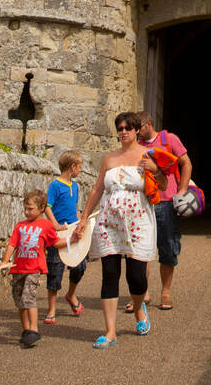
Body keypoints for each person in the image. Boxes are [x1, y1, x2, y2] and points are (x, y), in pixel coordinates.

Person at [71, 112, 162, 345]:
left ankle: (140, 309)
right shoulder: (110, 158)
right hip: (109, 222)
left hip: (138, 222)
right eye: (119, 128)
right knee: (110, 274)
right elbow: (98, 189)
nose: (123, 132)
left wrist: (155, 169)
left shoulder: (148, 155)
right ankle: (110, 331)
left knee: (137, 277)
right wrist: (84, 218)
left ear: (136, 130)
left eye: (127, 128)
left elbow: (163, 184)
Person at [0, 189, 70, 347]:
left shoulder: (46, 225)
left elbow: (55, 243)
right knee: (19, 302)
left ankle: (34, 329)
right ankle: (25, 330)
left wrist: (72, 240)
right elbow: (12, 244)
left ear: (42, 208)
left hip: (33, 269)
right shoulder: (20, 226)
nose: (26, 212)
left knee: (29, 298)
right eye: (25, 208)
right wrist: (4, 261)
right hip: (18, 269)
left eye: (30, 209)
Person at [136, 112, 191, 311]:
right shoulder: (135, 146)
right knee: (140, 250)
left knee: (168, 247)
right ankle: (142, 293)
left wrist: (182, 190)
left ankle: (165, 292)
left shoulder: (169, 139)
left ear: (148, 124)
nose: (134, 131)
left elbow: (186, 163)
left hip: (166, 201)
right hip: (142, 202)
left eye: (138, 127)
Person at [43, 151, 86, 323]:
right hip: (58, 234)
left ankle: (71, 294)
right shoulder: (55, 185)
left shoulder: (75, 186)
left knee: (80, 266)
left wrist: (79, 219)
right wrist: (54, 224)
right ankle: (51, 310)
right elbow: (47, 206)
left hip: (74, 231)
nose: (80, 170)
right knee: (55, 270)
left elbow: (74, 206)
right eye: (79, 167)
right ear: (72, 167)